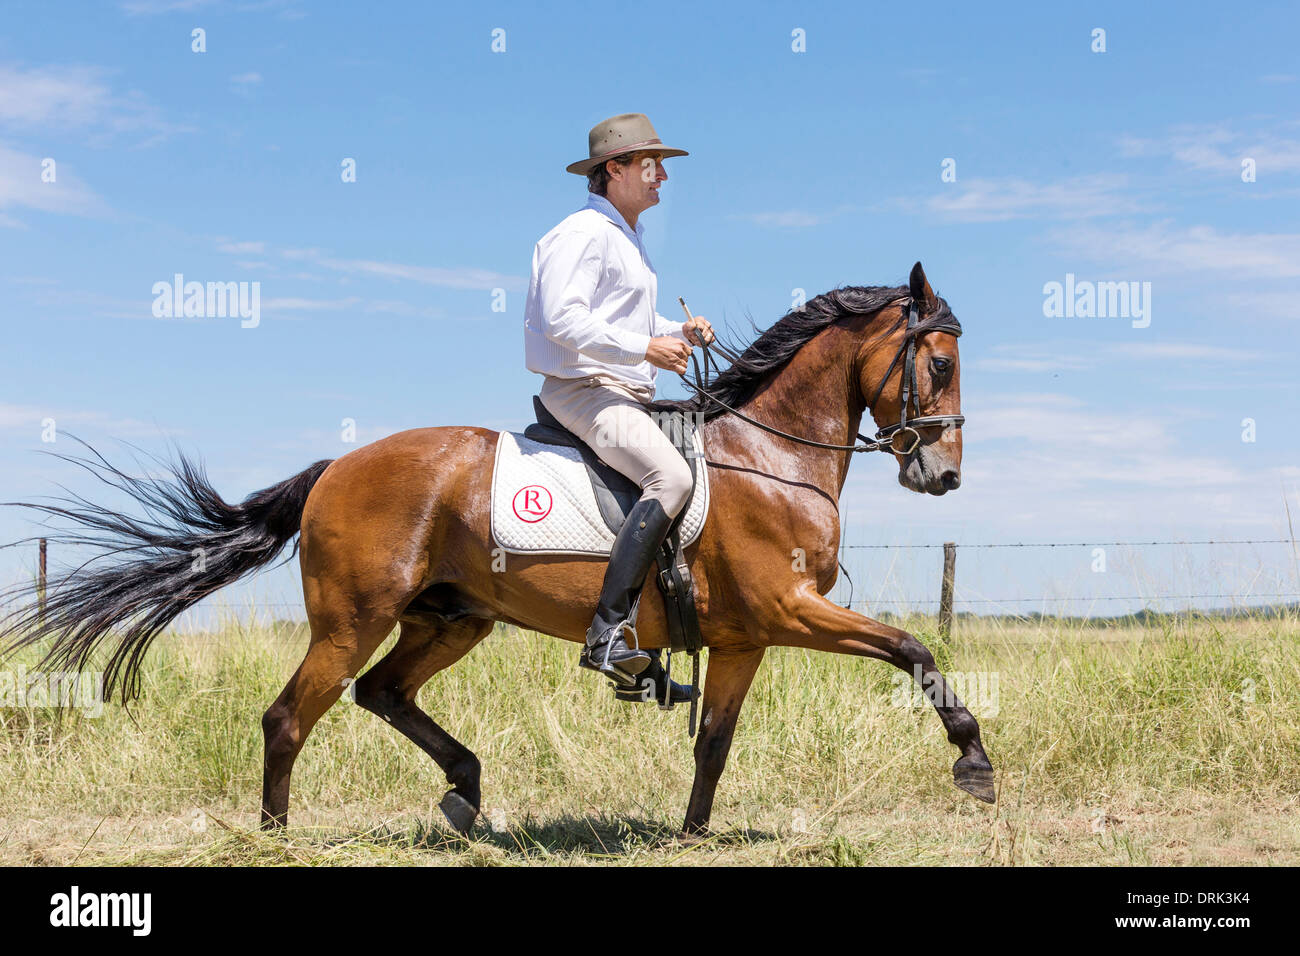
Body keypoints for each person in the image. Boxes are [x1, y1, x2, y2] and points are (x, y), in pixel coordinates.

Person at [523, 112, 713, 703]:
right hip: (583, 390)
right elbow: (562, 318)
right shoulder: (583, 233)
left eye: (661, 166)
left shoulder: (624, 237)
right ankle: (607, 634)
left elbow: (621, 318)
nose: (662, 176)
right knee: (671, 474)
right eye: (650, 164)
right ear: (615, 169)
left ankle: (646, 643)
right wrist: (646, 347)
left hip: (621, 389)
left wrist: (677, 328)